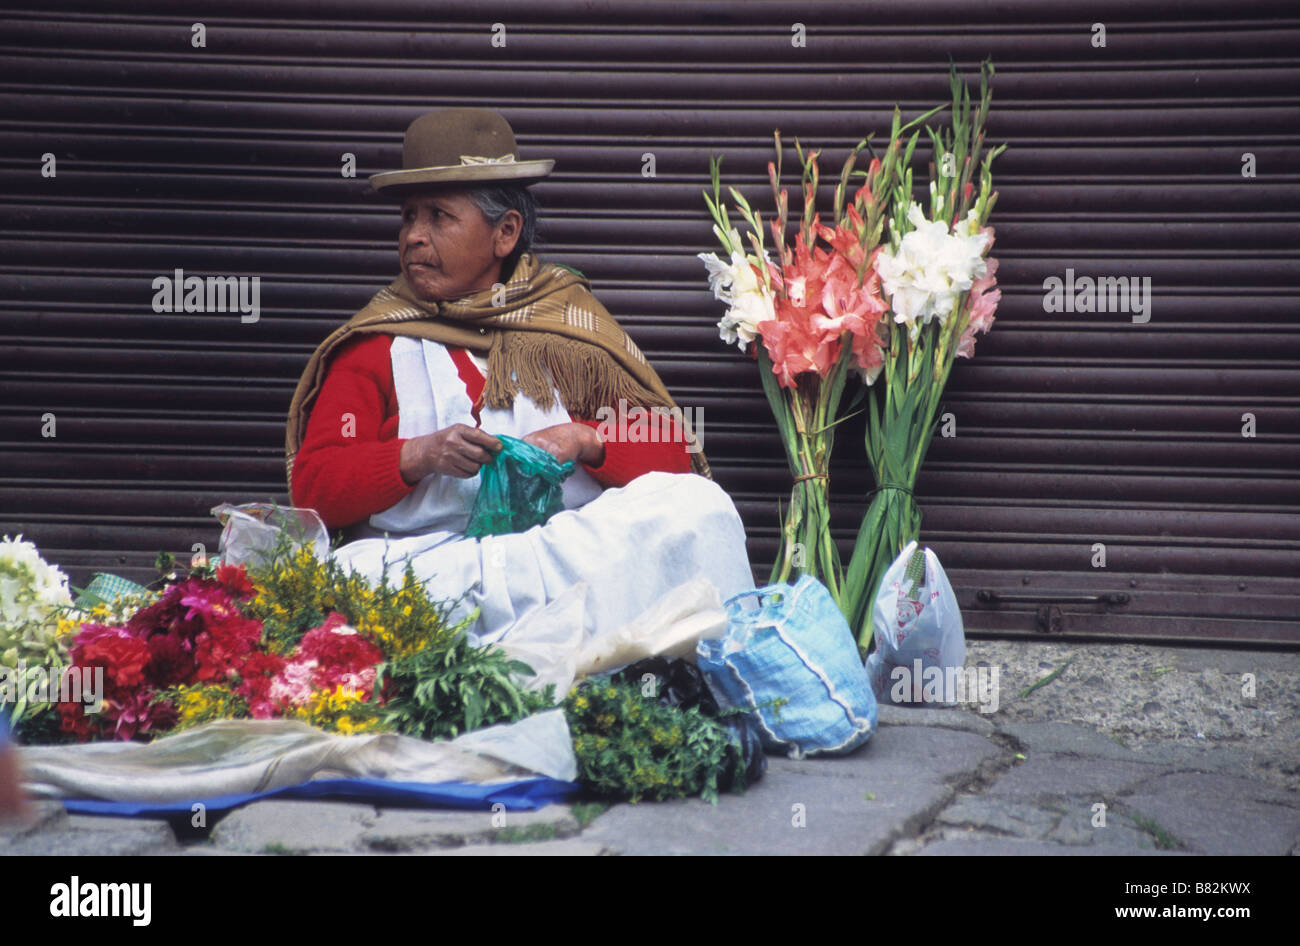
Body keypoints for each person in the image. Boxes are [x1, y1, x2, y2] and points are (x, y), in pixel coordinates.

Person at [285, 108, 754, 644]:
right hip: (432, 573)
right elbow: (314, 486)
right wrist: (418, 456)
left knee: (699, 507)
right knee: (344, 579)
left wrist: (585, 439)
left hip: (559, 560)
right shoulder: (374, 343)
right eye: (408, 216)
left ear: (504, 233)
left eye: (438, 216)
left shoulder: (568, 326)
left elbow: (671, 451)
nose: (414, 237)